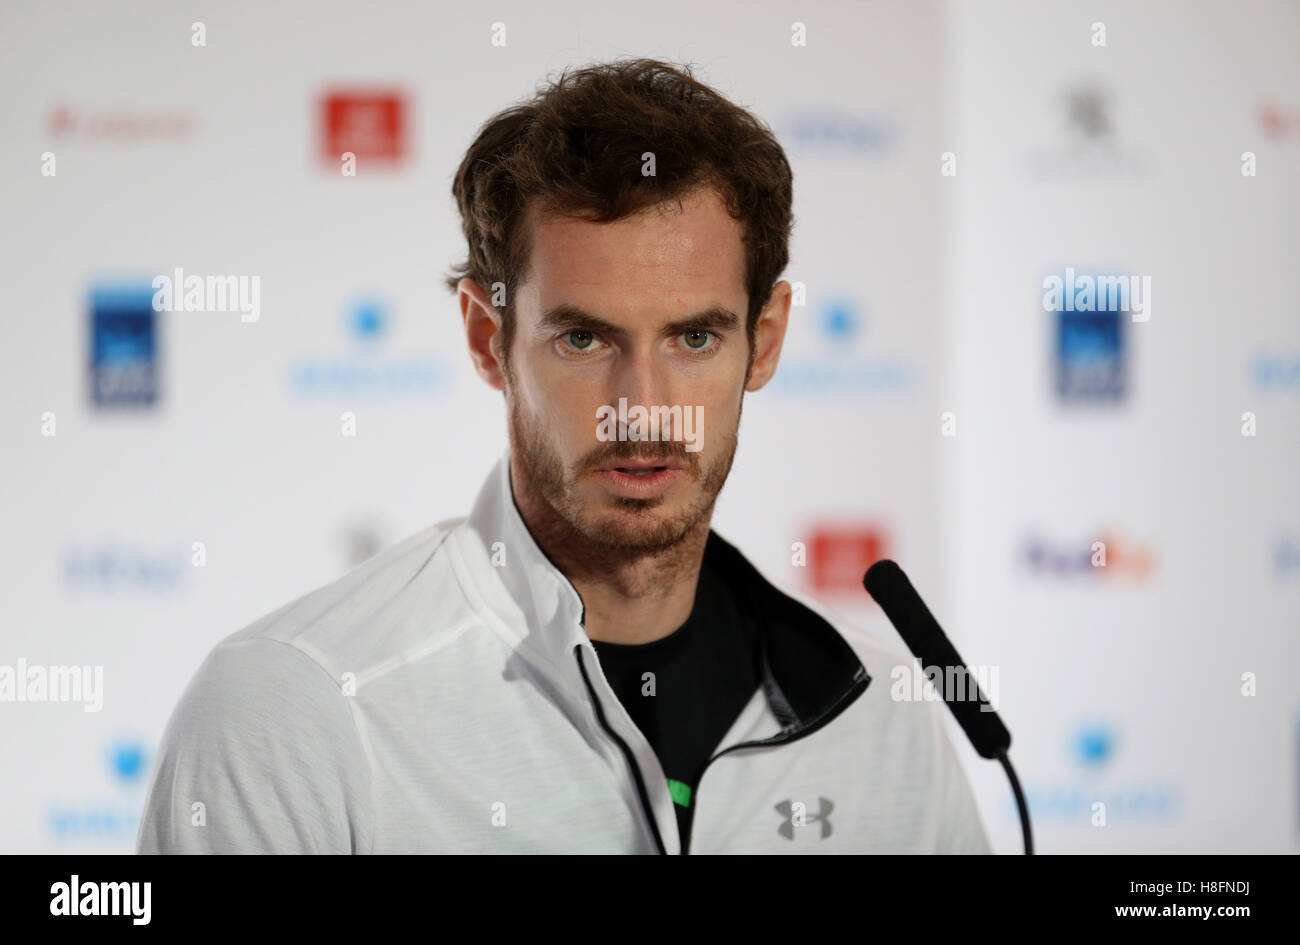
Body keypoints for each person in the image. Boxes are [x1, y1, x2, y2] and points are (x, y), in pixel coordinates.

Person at [137, 57, 991, 854]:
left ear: (764, 342)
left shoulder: (881, 722)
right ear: (487, 337)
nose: (643, 408)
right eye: (583, 337)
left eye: (695, 337)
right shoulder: (292, 712)